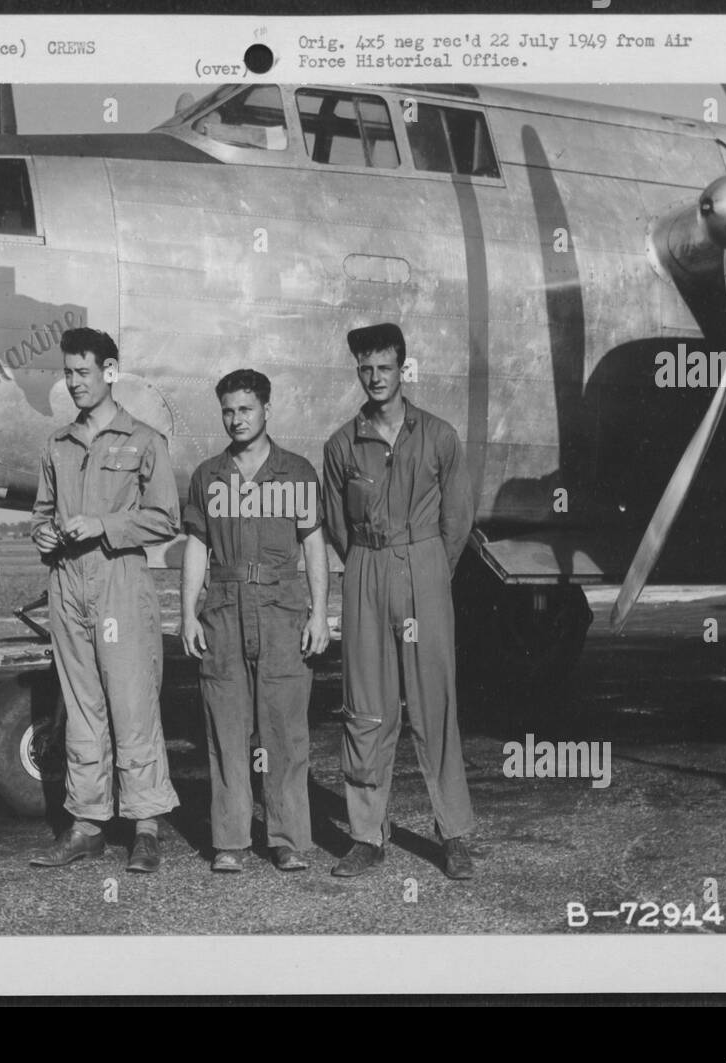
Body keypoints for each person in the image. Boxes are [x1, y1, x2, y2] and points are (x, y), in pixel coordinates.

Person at [322, 323, 477, 879]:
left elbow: (457, 521)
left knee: (434, 703)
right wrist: (371, 564)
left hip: (426, 570)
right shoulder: (341, 445)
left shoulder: (439, 436)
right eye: (366, 369)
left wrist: (428, 570)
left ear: (402, 369)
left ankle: (454, 833)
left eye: (385, 367)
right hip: (366, 569)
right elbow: (337, 525)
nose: (375, 378)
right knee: (366, 707)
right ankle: (367, 836)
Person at [27, 328, 180, 873]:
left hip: (119, 581)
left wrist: (103, 524)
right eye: (68, 373)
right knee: (82, 708)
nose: (74, 384)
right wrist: (41, 533)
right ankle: (87, 825)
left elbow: (165, 519)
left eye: (83, 373)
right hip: (67, 586)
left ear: (110, 371)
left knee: (132, 705)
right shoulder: (57, 445)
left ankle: (145, 827)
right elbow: (42, 511)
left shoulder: (145, 441)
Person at [181, 370, 330, 872]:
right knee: (226, 728)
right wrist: (187, 614)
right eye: (228, 410)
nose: (236, 419)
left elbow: (314, 545)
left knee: (285, 732)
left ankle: (286, 839)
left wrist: (320, 615)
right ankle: (230, 841)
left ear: (266, 409)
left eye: (245, 409)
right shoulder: (208, 476)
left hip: (283, 609)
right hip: (223, 608)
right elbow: (196, 547)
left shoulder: (298, 473)